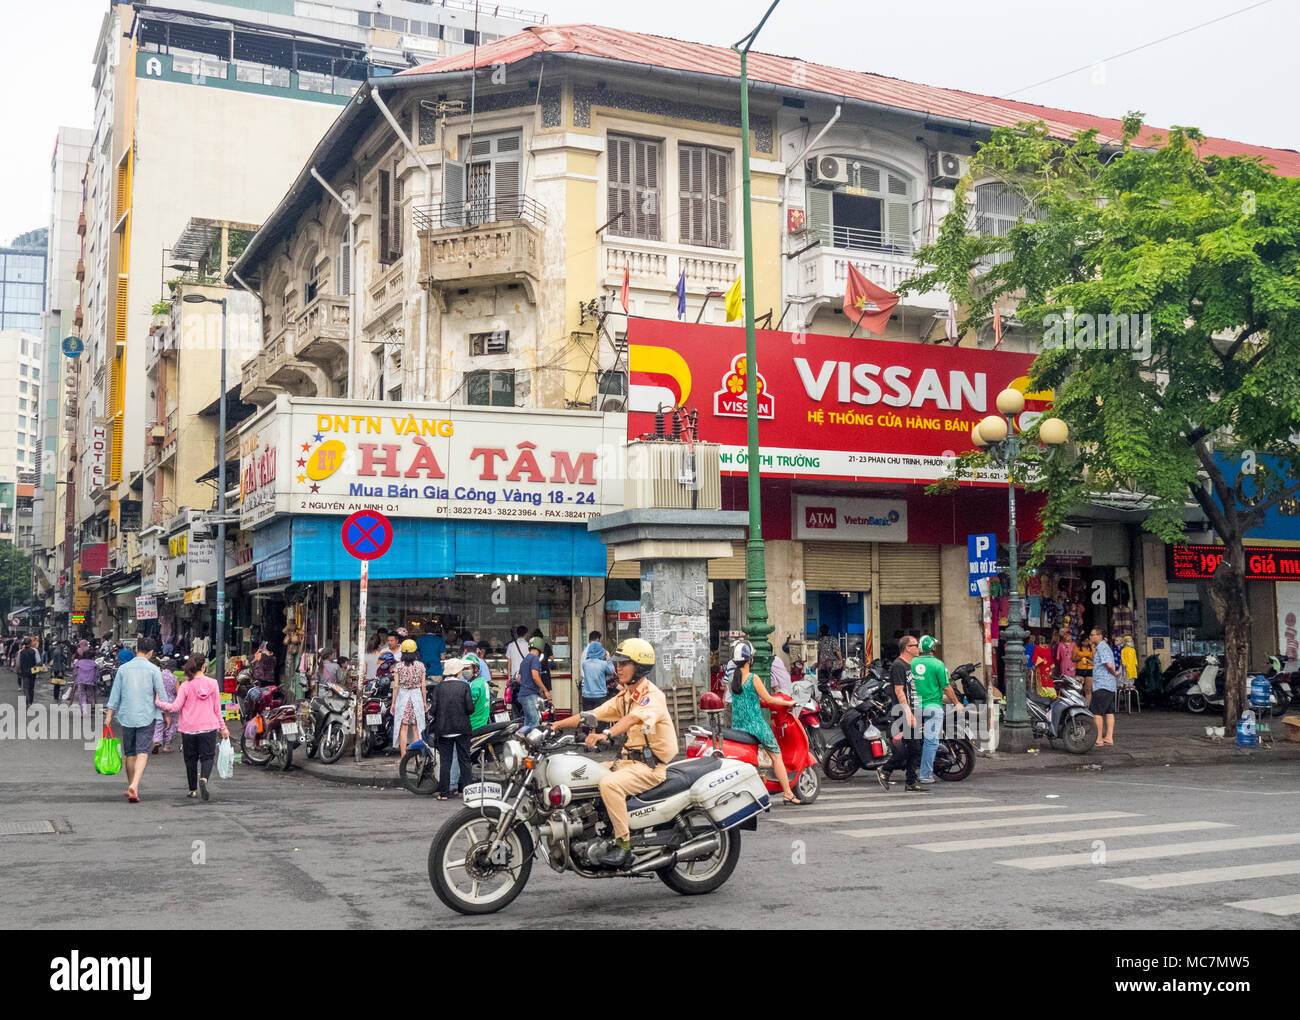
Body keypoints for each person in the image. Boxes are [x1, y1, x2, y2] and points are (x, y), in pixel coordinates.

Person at [552, 638, 679, 868]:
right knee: (583, 777)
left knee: (610, 785)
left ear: (639, 667)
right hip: (627, 763)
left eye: (624, 664)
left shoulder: (652, 696)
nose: (618, 668)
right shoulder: (625, 696)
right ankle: (598, 833)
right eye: (617, 663)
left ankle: (623, 847)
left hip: (650, 768)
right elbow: (592, 714)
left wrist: (606, 734)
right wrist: (554, 726)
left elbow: (633, 718)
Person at [728, 641, 803, 805]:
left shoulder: (731, 678)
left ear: (734, 661)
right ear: (750, 660)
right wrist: (789, 703)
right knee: (776, 757)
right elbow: (769, 699)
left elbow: (742, 700)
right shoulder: (753, 678)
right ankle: (788, 793)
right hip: (756, 726)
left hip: (738, 726)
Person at [156, 654, 229, 801]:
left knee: (190, 759)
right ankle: (204, 779)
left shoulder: (185, 685)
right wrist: (223, 728)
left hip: (189, 729)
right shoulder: (213, 683)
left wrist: (159, 703)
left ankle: (192, 789)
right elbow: (217, 709)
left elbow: (175, 707)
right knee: (207, 757)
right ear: (204, 667)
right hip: (209, 727)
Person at [105, 637, 168, 803]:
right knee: (142, 752)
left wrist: (109, 714)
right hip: (146, 716)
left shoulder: (123, 669)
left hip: (126, 716)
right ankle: (135, 784)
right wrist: (167, 714)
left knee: (130, 753)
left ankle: (131, 786)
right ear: (151, 653)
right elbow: (162, 695)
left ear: (136, 649)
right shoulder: (154, 670)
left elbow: (115, 693)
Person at [878, 635, 926, 792]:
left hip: (911, 711)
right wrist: (908, 713)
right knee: (910, 748)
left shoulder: (909, 665)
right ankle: (885, 770)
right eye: (916, 645)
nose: (918, 647)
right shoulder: (898, 666)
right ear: (908, 648)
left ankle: (910, 781)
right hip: (903, 713)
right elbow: (899, 690)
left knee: (915, 748)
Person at [912, 635, 962, 784]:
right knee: (931, 741)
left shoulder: (912, 662)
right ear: (933, 648)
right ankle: (925, 775)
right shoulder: (937, 664)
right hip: (932, 707)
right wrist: (957, 702)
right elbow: (946, 687)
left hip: (914, 706)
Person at [427, 656, 474, 799]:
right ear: (459, 672)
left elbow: (433, 710)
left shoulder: (439, 687)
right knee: (465, 761)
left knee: (445, 762)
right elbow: (470, 708)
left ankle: (444, 793)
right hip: (462, 729)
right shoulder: (464, 687)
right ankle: (468, 793)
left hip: (444, 729)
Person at [391, 639, 427, 760]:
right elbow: (423, 686)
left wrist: (393, 703)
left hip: (403, 698)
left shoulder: (398, 666)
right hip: (416, 698)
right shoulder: (421, 666)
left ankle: (403, 757)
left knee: (403, 728)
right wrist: (424, 702)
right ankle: (417, 757)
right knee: (416, 728)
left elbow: (396, 686)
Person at [1090, 627, 1119, 747]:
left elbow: (1109, 665)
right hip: (1109, 685)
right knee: (1109, 711)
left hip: (1102, 684)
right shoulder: (1103, 647)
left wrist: (1114, 672)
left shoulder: (1102, 647)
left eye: (1092, 635)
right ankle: (1109, 737)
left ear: (1099, 636)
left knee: (1097, 712)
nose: (1090, 637)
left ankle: (1099, 738)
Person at [517, 636, 551, 729]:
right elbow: (535, 676)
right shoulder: (535, 659)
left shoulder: (524, 660)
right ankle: (530, 743)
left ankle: (522, 741)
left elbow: (519, 679)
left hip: (523, 695)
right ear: (540, 647)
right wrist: (545, 690)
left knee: (528, 722)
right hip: (530, 695)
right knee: (535, 722)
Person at [580, 634, 615, 712]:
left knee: (588, 720)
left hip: (586, 696)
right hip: (600, 696)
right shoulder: (603, 664)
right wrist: (608, 659)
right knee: (600, 719)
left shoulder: (585, 664)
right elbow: (612, 671)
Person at [153, 659, 180, 754]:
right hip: (170, 703)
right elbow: (178, 693)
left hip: (158, 701)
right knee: (171, 724)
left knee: (159, 722)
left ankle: (157, 740)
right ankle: (166, 746)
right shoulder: (175, 678)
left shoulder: (158, 675)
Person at [71, 646, 98, 713]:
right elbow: (97, 674)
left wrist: (75, 679)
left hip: (81, 681)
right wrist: (96, 681)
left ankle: (84, 709)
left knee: (82, 694)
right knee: (89, 695)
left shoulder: (79, 662)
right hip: (90, 682)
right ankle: (88, 710)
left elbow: (75, 672)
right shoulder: (94, 663)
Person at [16, 637, 39, 705]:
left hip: (24, 671)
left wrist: (18, 670)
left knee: (25, 688)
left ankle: (27, 702)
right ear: (30, 643)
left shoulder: (21, 652)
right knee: (31, 687)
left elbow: (18, 663)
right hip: (33, 671)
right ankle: (31, 702)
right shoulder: (34, 651)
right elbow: (38, 661)